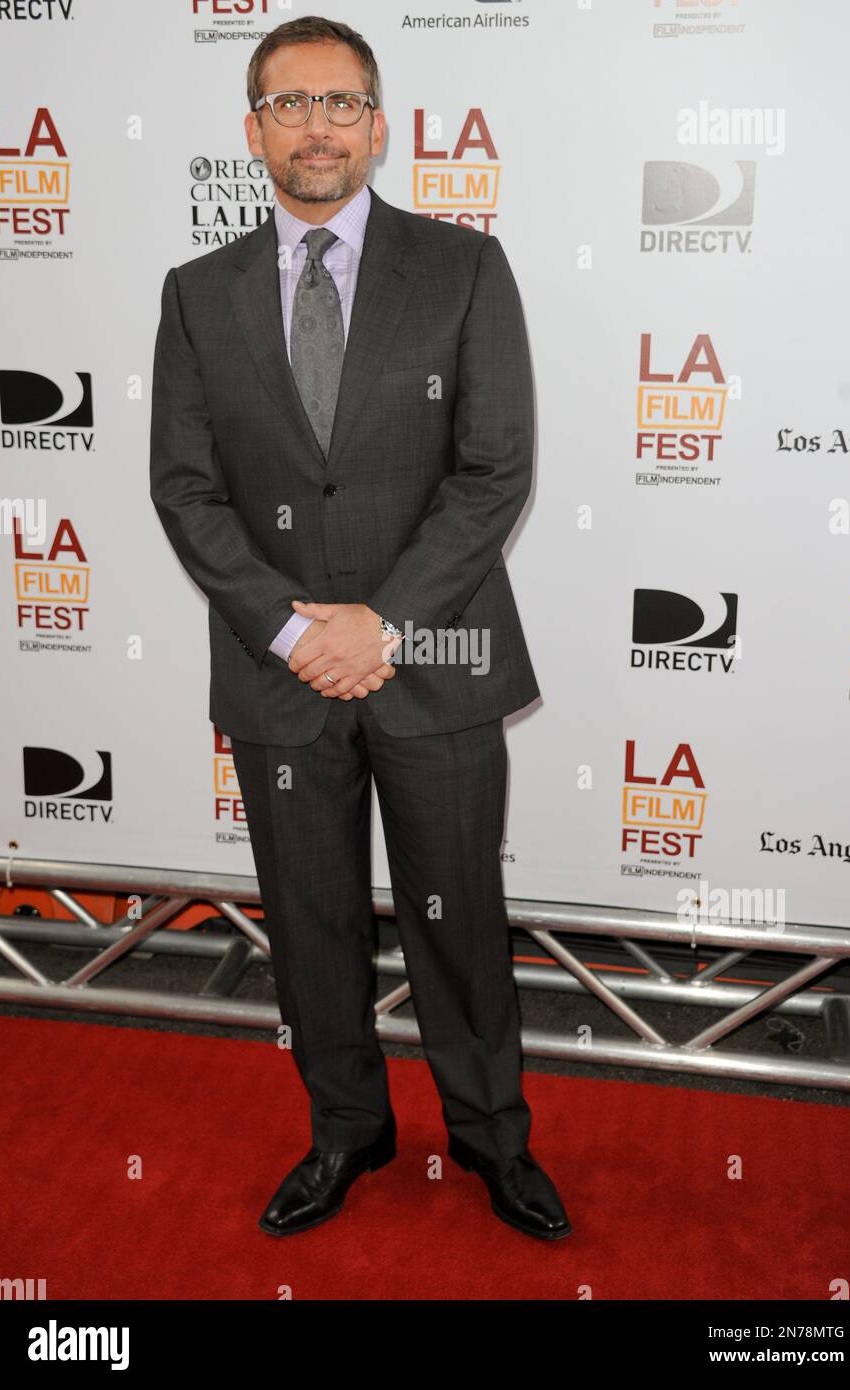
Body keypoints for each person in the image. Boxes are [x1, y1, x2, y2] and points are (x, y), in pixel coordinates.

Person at [149, 15, 570, 1241]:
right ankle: (346, 1130)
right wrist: (294, 633)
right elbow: (185, 488)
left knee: (458, 919)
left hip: (434, 662)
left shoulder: (465, 269)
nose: (317, 126)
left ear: (379, 129)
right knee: (312, 921)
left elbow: (495, 471)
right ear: (253, 131)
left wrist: (380, 624)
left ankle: (493, 1138)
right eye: (290, 104)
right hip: (279, 679)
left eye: (341, 104)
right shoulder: (195, 295)